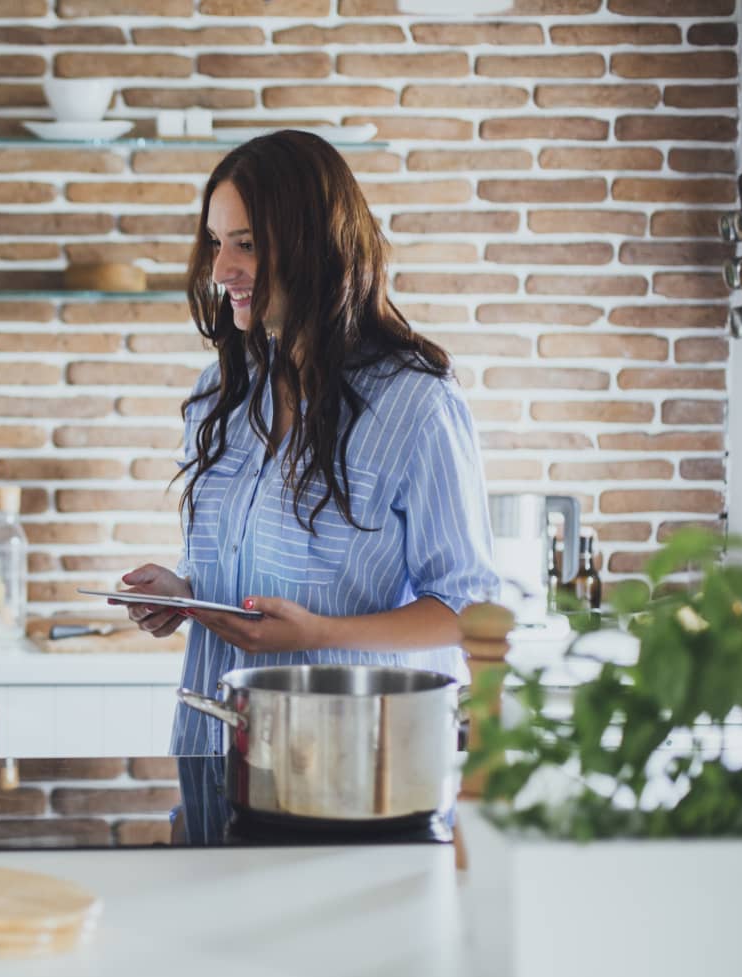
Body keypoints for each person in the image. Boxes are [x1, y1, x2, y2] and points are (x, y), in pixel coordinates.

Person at [120, 130, 498, 756]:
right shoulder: (222, 393)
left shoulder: (416, 403)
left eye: (247, 244)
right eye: (216, 244)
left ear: (313, 246)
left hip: (353, 766)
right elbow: (246, 568)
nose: (221, 270)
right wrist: (186, 594)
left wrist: (319, 633)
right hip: (217, 746)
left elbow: (468, 609)